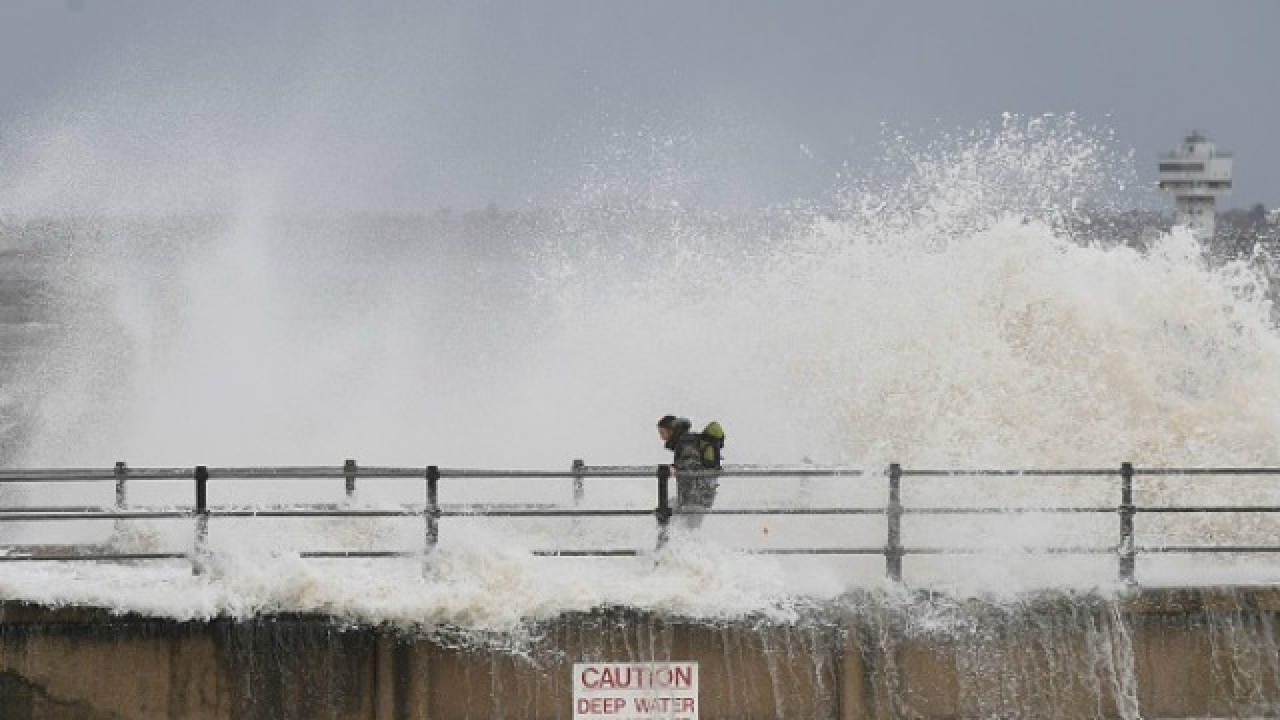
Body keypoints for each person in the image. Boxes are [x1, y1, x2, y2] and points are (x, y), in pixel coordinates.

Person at [656, 415, 718, 531]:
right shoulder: (685, 441)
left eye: (662, 432)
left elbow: (691, 464)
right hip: (694, 495)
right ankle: (664, 543)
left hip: (697, 496)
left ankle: (674, 546)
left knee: (689, 532)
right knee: (666, 509)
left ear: (670, 430)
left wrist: (674, 469)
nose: (661, 437)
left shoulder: (686, 441)